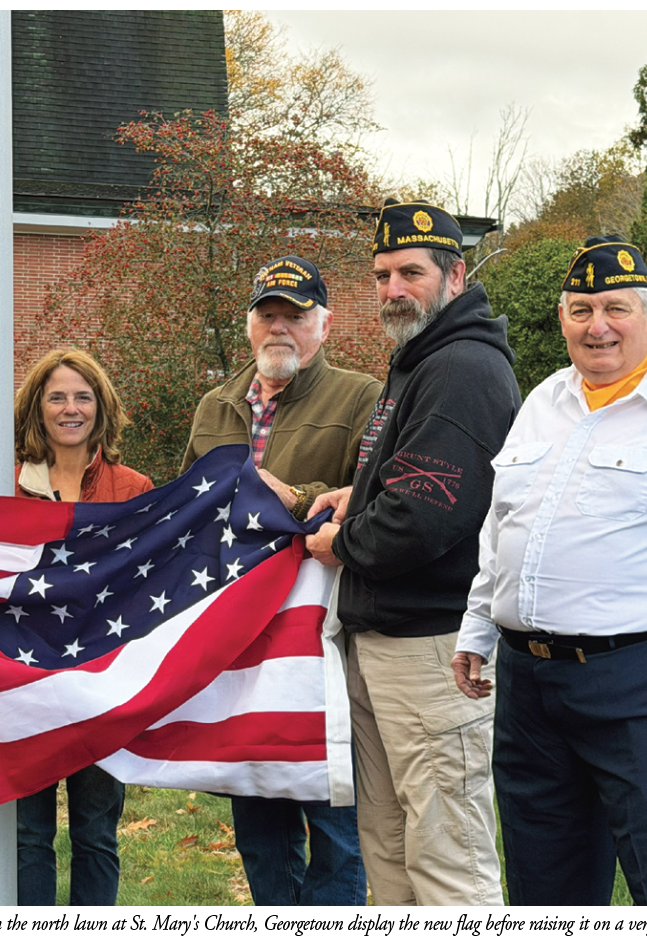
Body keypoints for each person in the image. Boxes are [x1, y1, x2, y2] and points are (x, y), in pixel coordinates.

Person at [452, 237, 647, 905]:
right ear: (562, 319)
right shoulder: (543, 402)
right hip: (530, 690)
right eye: (581, 309)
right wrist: (477, 627)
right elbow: (504, 527)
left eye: (616, 307)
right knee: (544, 895)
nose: (598, 326)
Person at [305, 201, 520, 906]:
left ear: (454, 275)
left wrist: (343, 540)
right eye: (381, 274)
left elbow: (423, 516)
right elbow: (409, 478)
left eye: (411, 273)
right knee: (392, 855)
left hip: (432, 655)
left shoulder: (462, 367)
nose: (393, 288)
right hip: (385, 645)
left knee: (448, 861)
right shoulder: (418, 360)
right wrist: (354, 494)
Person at [182, 256, 380, 905]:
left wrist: (291, 497)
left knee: (337, 830)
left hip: (324, 647)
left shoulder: (362, 397)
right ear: (249, 325)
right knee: (260, 827)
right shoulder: (214, 406)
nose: (280, 327)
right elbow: (183, 508)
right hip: (240, 646)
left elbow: (373, 503)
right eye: (269, 313)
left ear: (323, 324)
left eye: (295, 314)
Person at [11, 347, 152, 906]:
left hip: (102, 683)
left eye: (82, 397)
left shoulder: (135, 489)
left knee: (95, 834)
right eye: (57, 397)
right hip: (24, 682)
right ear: (37, 409)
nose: (71, 409)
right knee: (27, 835)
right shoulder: (5, 488)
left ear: (101, 406)